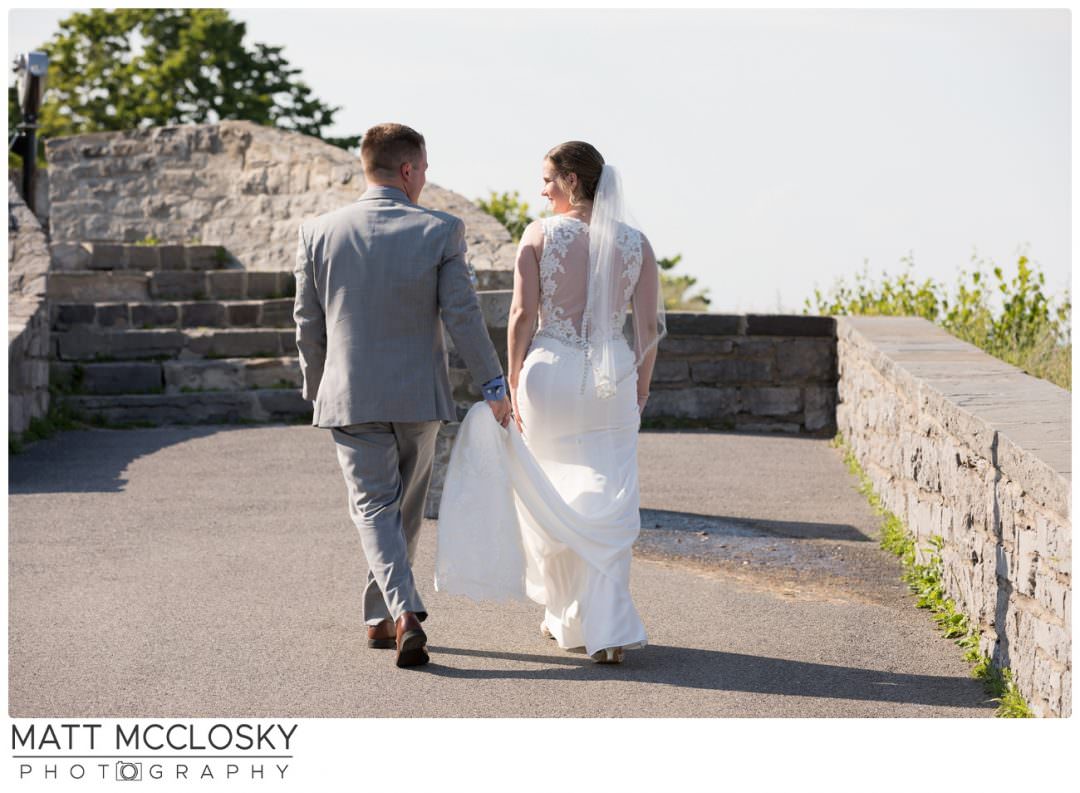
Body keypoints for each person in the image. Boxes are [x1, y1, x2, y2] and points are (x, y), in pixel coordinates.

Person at [435, 141, 666, 664]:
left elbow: (521, 315)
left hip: (549, 374)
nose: (541, 190)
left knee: (547, 494)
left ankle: (565, 615)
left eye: (547, 179)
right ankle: (604, 628)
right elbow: (648, 327)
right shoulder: (636, 243)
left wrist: (512, 379)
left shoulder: (539, 234)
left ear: (569, 180)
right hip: (613, 376)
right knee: (606, 493)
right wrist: (642, 387)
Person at [293, 122, 512, 668]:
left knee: (374, 510)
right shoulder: (441, 230)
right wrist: (493, 386)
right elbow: (462, 316)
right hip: (419, 397)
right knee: (404, 512)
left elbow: (306, 323)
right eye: (426, 169)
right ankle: (395, 613)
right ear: (410, 170)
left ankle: (390, 615)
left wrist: (316, 387)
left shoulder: (317, 231)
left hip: (349, 394)